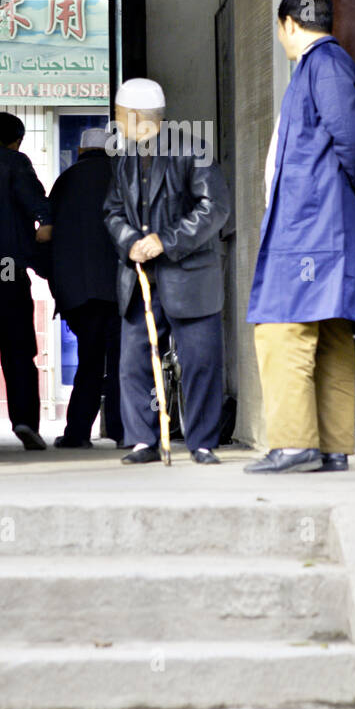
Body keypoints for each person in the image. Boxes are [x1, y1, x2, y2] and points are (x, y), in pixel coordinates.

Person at [245, 0, 355, 474]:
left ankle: (292, 443)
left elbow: (351, 135)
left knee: (282, 327)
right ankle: (331, 446)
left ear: (288, 24)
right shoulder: (328, 64)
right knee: (329, 330)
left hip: (311, 224)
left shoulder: (322, 64)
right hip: (327, 223)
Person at [103, 78, 230, 466]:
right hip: (141, 278)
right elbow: (112, 210)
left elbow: (215, 208)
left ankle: (203, 441)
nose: (116, 122)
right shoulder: (123, 157)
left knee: (201, 362)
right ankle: (142, 439)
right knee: (132, 362)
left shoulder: (193, 149)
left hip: (189, 276)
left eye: (120, 115)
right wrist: (130, 242)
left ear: (135, 116)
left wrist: (165, 241)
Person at [0, 111, 51, 452]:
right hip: (5, 265)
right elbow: (38, 207)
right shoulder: (15, 162)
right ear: (16, 140)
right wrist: (43, 227)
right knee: (17, 348)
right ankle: (24, 421)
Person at [48, 127, 123, 449]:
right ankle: (124, 432)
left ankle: (78, 432)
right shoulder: (123, 179)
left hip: (78, 292)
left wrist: (54, 280)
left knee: (89, 360)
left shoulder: (65, 181)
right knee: (123, 362)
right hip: (120, 287)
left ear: (80, 151)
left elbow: (48, 235)